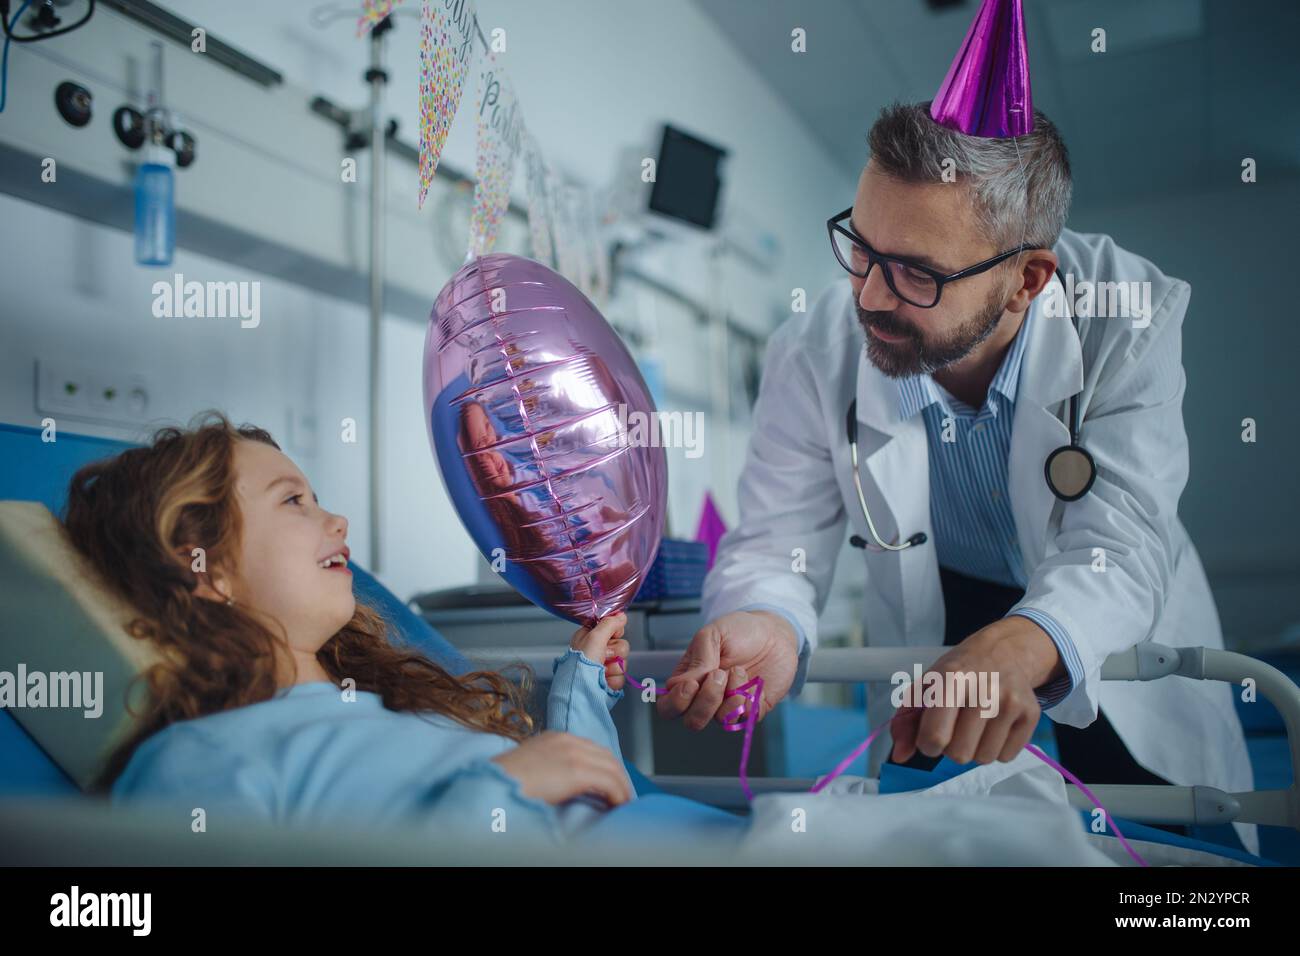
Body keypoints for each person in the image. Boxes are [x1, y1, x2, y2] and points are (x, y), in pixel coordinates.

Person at [656, 102, 1256, 855]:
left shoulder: (1126, 314)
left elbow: (1124, 539)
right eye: (862, 249)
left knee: (1162, 839)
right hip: (944, 597)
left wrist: (1026, 640)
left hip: (1093, 600)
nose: (869, 296)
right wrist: (762, 618)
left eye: (916, 274)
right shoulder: (814, 353)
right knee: (938, 836)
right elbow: (776, 545)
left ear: (1027, 280)